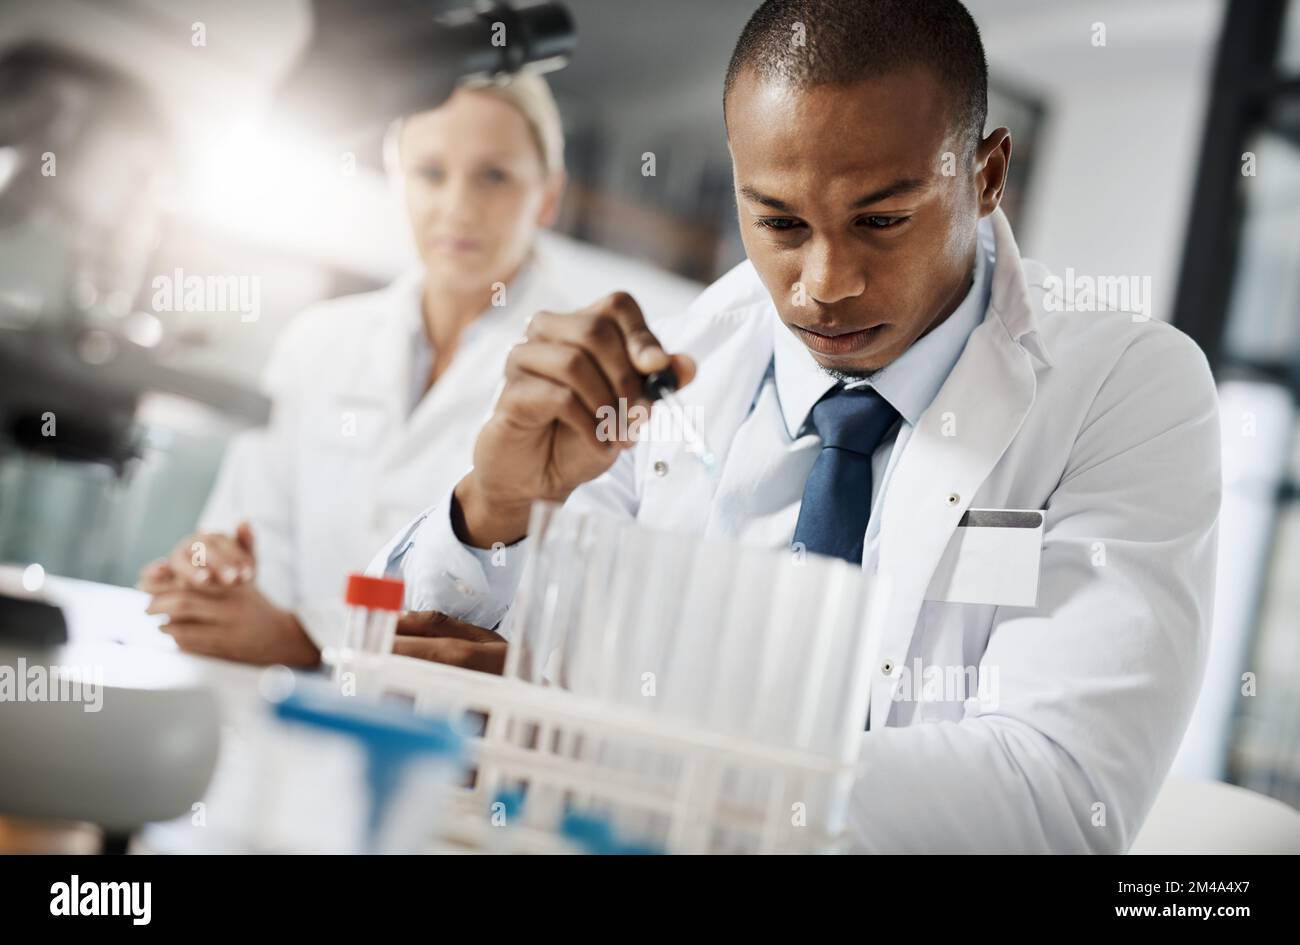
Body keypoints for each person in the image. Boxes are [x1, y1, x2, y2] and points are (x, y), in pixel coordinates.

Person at [375, 0, 1222, 853]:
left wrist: (601, 743)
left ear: (987, 173)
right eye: (779, 222)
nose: (824, 284)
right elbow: (415, 686)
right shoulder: (667, 372)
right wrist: (494, 505)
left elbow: (1056, 800)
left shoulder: (1125, 390)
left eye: (882, 220)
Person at [139, 74, 696, 665]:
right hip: (271, 726)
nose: (459, 207)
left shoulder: (576, 372)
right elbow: (246, 534)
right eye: (431, 173)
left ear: (549, 196)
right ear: (398, 182)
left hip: (442, 735)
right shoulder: (320, 340)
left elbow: (542, 616)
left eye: (494, 176)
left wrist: (306, 641)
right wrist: (211, 574)